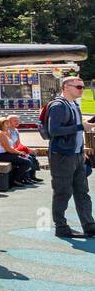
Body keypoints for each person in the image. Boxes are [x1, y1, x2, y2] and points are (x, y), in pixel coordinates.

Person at [44, 77, 93, 238]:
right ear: (66, 87)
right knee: (63, 191)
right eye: (78, 86)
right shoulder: (58, 105)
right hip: (62, 155)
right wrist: (81, 126)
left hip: (75, 154)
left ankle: (89, 225)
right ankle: (62, 227)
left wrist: (81, 148)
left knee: (82, 191)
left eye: (82, 86)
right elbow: (54, 130)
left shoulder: (73, 105)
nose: (81, 89)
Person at [0, 116, 38, 186]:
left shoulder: (2, 132)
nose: (8, 126)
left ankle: (27, 178)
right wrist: (19, 152)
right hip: (0, 155)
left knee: (28, 158)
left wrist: (20, 152)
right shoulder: (0, 133)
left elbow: (14, 146)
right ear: (1, 125)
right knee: (27, 162)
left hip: (4, 154)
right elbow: (8, 149)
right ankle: (16, 179)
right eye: (6, 124)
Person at [6, 115, 41, 183]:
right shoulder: (7, 131)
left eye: (18, 120)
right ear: (9, 122)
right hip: (11, 150)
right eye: (15, 121)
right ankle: (25, 178)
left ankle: (32, 176)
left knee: (32, 156)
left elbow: (19, 143)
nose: (17, 122)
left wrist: (27, 149)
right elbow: (10, 146)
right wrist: (25, 150)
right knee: (28, 157)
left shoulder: (15, 130)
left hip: (16, 149)